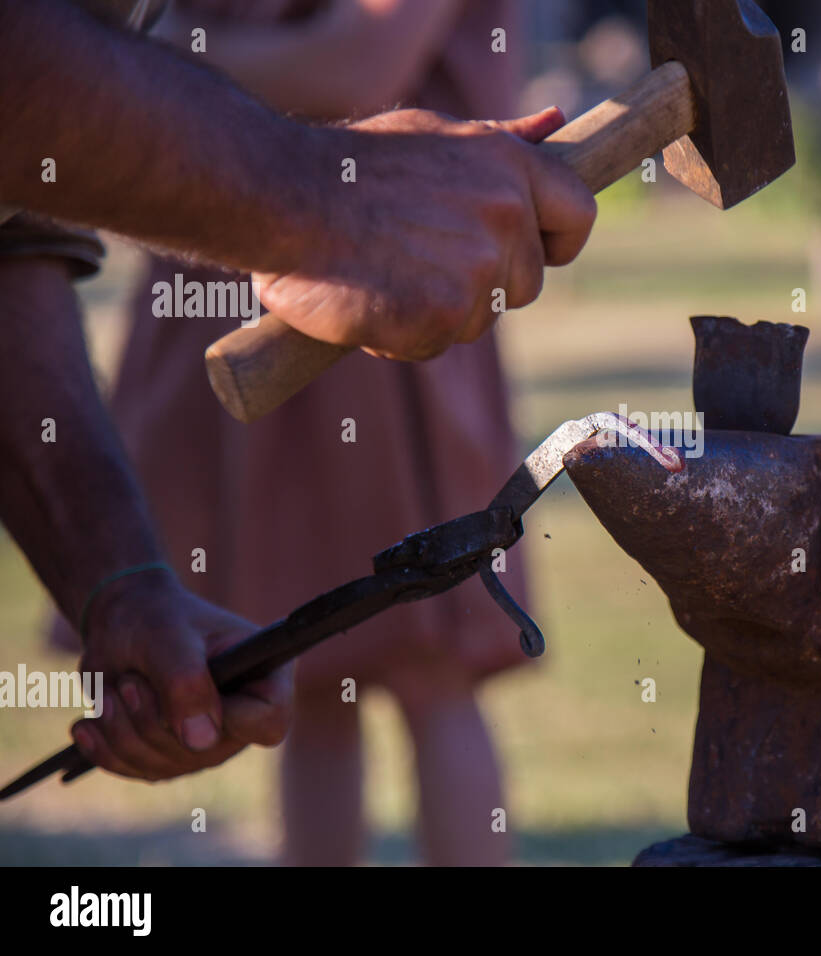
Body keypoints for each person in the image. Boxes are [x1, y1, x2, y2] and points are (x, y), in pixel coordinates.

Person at [0, 0, 595, 788]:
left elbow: (12, 238)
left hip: (385, 292)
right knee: (320, 693)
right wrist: (319, 193)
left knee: (423, 670)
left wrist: (116, 582)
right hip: (307, 250)